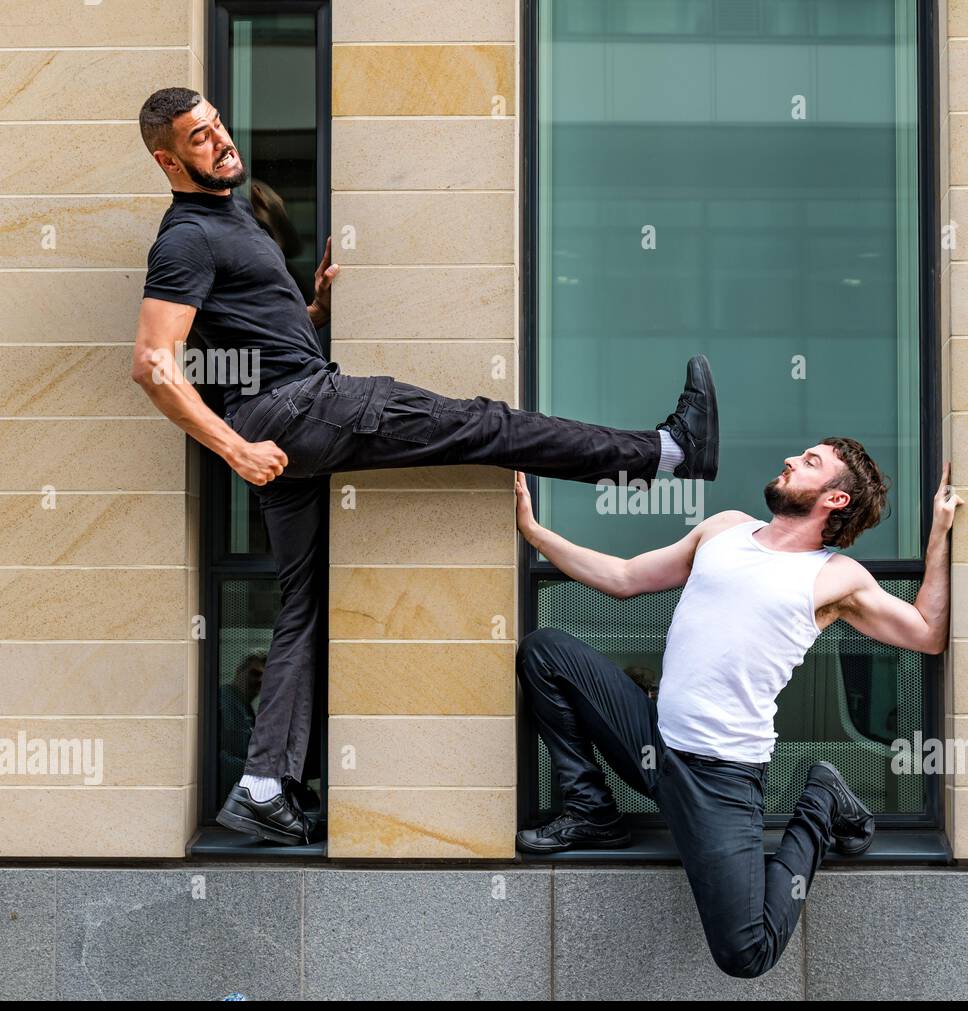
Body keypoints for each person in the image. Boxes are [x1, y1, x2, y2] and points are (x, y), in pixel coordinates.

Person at [131, 87, 720, 845]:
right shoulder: (182, 238)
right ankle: (668, 452)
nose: (220, 141)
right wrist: (235, 447)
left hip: (287, 411)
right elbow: (154, 364)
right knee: (486, 424)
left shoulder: (229, 215)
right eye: (199, 138)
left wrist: (307, 316)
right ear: (166, 158)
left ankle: (264, 783)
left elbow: (243, 327)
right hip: (298, 411)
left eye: (217, 125)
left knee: (304, 603)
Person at [514, 443, 962, 979]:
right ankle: (592, 813)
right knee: (544, 652)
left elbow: (928, 635)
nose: (793, 460)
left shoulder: (837, 577)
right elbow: (625, 577)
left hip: (719, 775)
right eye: (801, 454)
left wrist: (938, 536)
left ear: (835, 498)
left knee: (746, 953)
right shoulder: (722, 528)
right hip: (655, 741)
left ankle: (822, 798)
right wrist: (534, 532)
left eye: (811, 463)